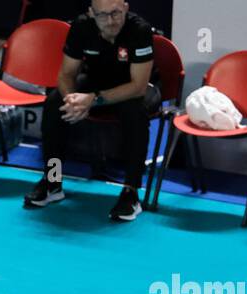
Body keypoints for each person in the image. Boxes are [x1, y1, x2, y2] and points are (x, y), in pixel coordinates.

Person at [23, 0, 159, 221]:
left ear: (125, 7)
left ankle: (131, 192)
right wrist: (73, 102)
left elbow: (138, 86)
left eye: (115, 13)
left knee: (135, 111)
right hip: (96, 83)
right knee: (54, 101)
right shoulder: (81, 27)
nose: (110, 20)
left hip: (133, 88)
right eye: (103, 15)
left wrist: (93, 101)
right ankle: (53, 181)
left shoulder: (139, 30)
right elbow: (66, 75)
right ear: (91, 13)